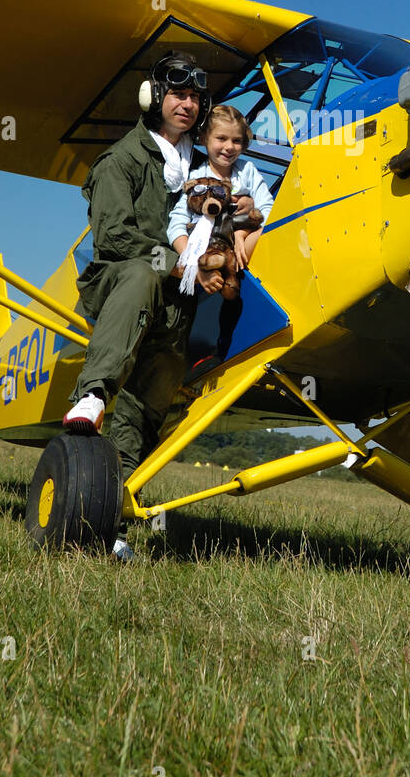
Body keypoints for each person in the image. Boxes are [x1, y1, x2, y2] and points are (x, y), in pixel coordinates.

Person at [62, 53, 224, 558]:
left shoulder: (200, 167)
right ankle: (92, 393)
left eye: (196, 97)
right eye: (178, 94)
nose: (188, 104)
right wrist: (175, 264)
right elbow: (114, 237)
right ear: (154, 98)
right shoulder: (122, 161)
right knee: (141, 269)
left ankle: (113, 525)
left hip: (175, 304)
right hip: (122, 281)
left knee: (144, 411)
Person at [167, 104, 274, 292]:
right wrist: (190, 260)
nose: (229, 147)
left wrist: (243, 232)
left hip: (239, 245)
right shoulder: (197, 179)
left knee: (274, 230)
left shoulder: (247, 170)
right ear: (204, 139)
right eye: (221, 138)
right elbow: (177, 222)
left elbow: (269, 210)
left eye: (237, 140)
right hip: (206, 249)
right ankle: (212, 269)